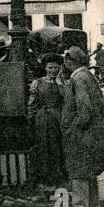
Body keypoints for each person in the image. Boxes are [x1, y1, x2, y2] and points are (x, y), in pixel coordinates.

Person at [59, 46, 104, 207]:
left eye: (66, 60)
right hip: (91, 134)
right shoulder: (87, 75)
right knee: (89, 172)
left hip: (81, 135)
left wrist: (72, 128)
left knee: (78, 172)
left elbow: (85, 109)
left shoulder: (78, 78)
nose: (64, 63)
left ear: (72, 61)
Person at [28, 54, 69, 193]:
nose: (53, 70)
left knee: (58, 149)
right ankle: (46, 181)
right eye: (50, 68)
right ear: (45, 68)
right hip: (42, 120)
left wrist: (59, 82)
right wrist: (31, 120)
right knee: (43, 149)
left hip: (58, 120)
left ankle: (60, 181)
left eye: (56, 68)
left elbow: (67, 100)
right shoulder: (37, 83)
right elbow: (32, 104)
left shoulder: (64, 83)